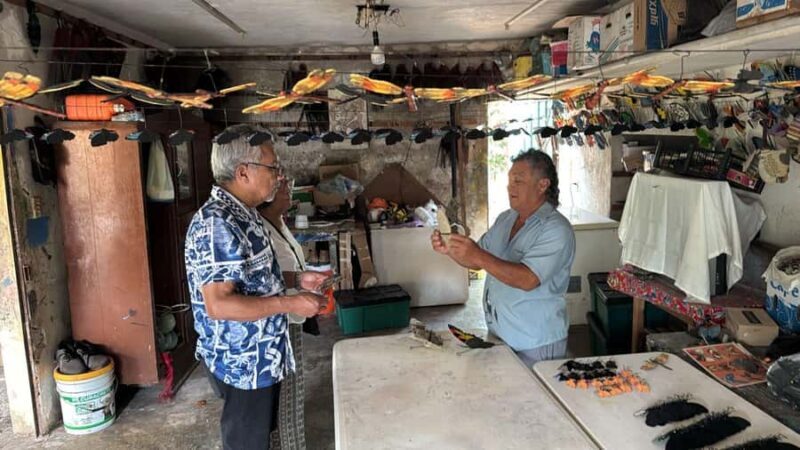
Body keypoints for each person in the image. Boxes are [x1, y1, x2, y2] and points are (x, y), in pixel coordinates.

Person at [184, 127, 329, 450]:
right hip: (242, 362)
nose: (279, 177)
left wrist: (296, 281)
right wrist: (290, 304)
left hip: (261, 355)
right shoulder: (217, 223)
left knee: (261, 437)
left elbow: (254, 277)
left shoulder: (244, 214)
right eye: (273, 167)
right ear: (243, 172)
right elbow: (219, 305)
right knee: (246, 442)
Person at [431, 149, 575, 368]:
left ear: (542, 185)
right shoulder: (506, 219)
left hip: (534, 342)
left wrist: (477, 254)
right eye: (509, 181)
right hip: (501, 334)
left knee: (536, 401)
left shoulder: (556, 229)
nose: (510, 187)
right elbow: (476, 260)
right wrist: (451, 248)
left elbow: (528, 279)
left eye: (518, 181)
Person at [259, 178, 314, 450]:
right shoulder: (261, 230)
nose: (289, 191)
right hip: (280, 319)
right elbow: (266, 278)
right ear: (268, 196)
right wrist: (303, 280)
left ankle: (293, 444)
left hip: (294, 315)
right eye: (283, 188)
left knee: (294, 391)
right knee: (287, 394)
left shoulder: (279, 223)